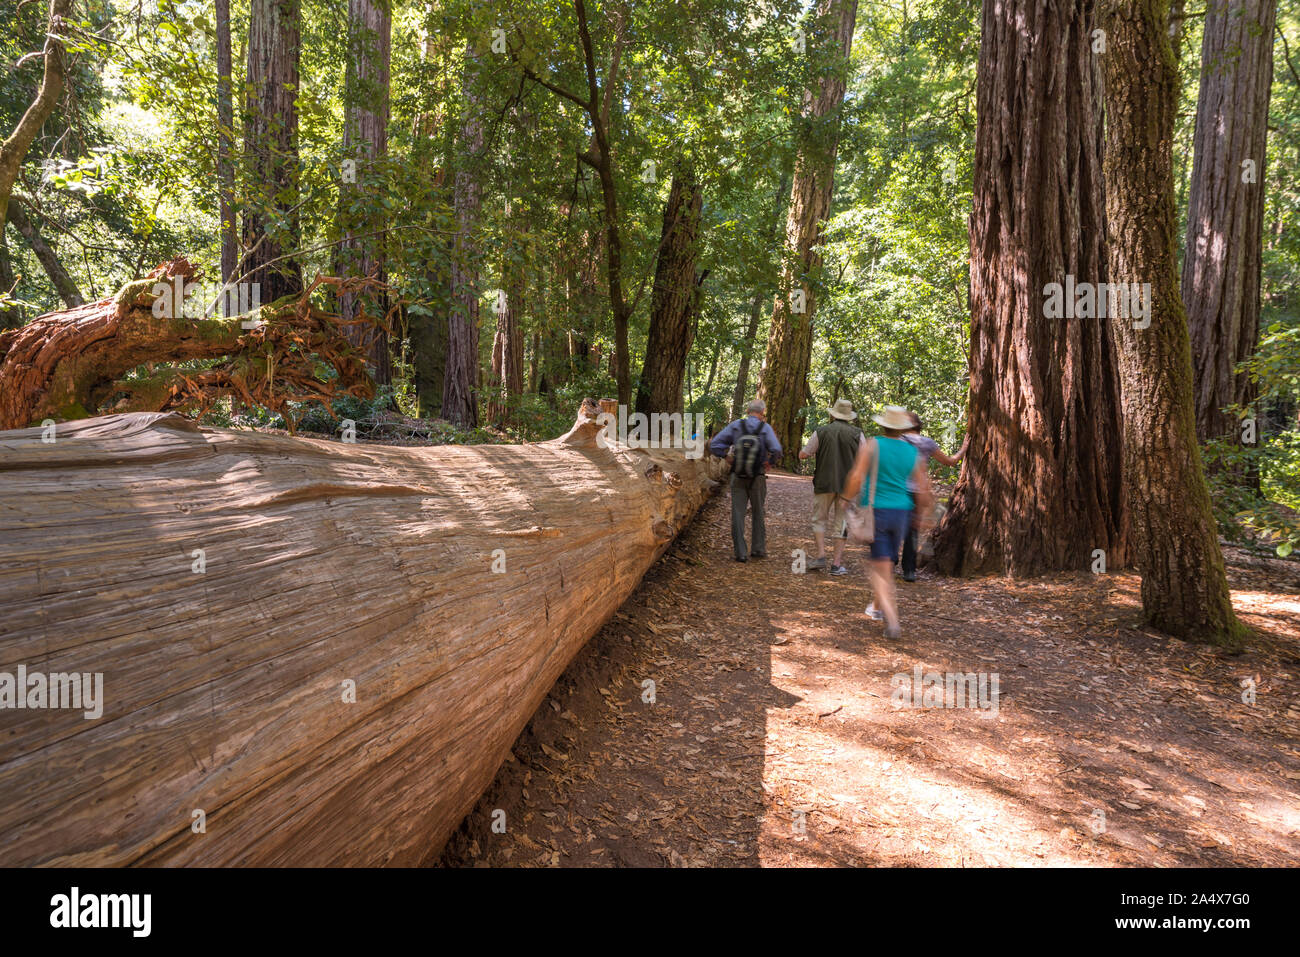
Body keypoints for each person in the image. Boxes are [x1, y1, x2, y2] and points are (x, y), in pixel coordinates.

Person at [842, 405, 933, 640]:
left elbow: (856, 475)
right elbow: (922, 487)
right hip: (902, 513)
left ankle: (892, 621)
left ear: (883, 424)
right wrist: (922, 515)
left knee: (880, 569)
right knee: (886, 564)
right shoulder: (912, 452)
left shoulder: (873, 445)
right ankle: (876, 607)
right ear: (902, 428)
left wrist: (845, 498)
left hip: (877, 511)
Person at [710, 399, 782, 562]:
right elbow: (776, 450)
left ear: (748, 411)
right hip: (757, 475)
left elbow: (715, 444)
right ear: (762, 412)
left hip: (737, 474)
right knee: (758, 512)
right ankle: (758, 549)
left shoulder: (736, 425)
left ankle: (740, 552)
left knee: (737, 513)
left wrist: (726, 457)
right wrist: (769, 463)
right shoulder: (765, 428)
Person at [798, 398, 864, 575]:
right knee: (841, 523)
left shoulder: (821, 432)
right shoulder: (858, 434)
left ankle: (820, 556)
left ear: (833, 414)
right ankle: (836, 564)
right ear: (849, 416)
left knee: (819, 519)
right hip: (847, 487)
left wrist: (803, 453)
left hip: (824, 482)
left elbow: (804, 454)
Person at [899, 411, 968, 582]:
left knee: (895, 524)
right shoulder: (927, 443)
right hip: (918, 491)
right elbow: (950, 462)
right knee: (912, 530)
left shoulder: (898, 441)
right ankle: (909, 570)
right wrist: (964, 449)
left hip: (898, 488)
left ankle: (890, 559)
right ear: (919, 425)